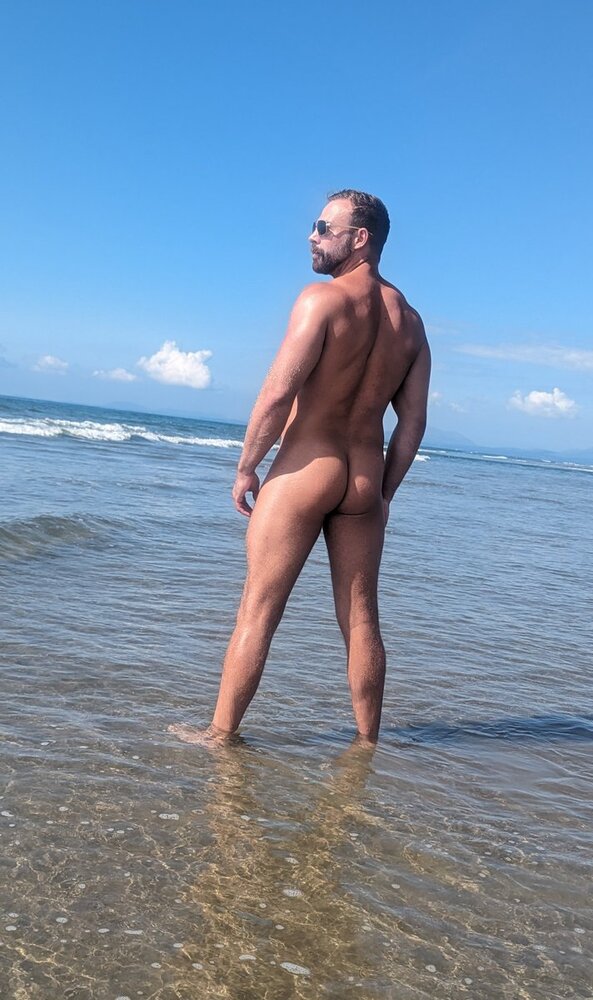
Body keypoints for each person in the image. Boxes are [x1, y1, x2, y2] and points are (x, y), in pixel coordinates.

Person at [169, 189, 430, 747]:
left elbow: (276, 394)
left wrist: (246, 466)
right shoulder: (410, 324)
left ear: (360, 238)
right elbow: (412, 425)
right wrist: (385, 493)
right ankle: (367, 744)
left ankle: (220, 735)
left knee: (257, 610)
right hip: (364, 475)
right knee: (361, 619)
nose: (312, 236)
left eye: (323, 227)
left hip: (306, 466)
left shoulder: (322, 301)